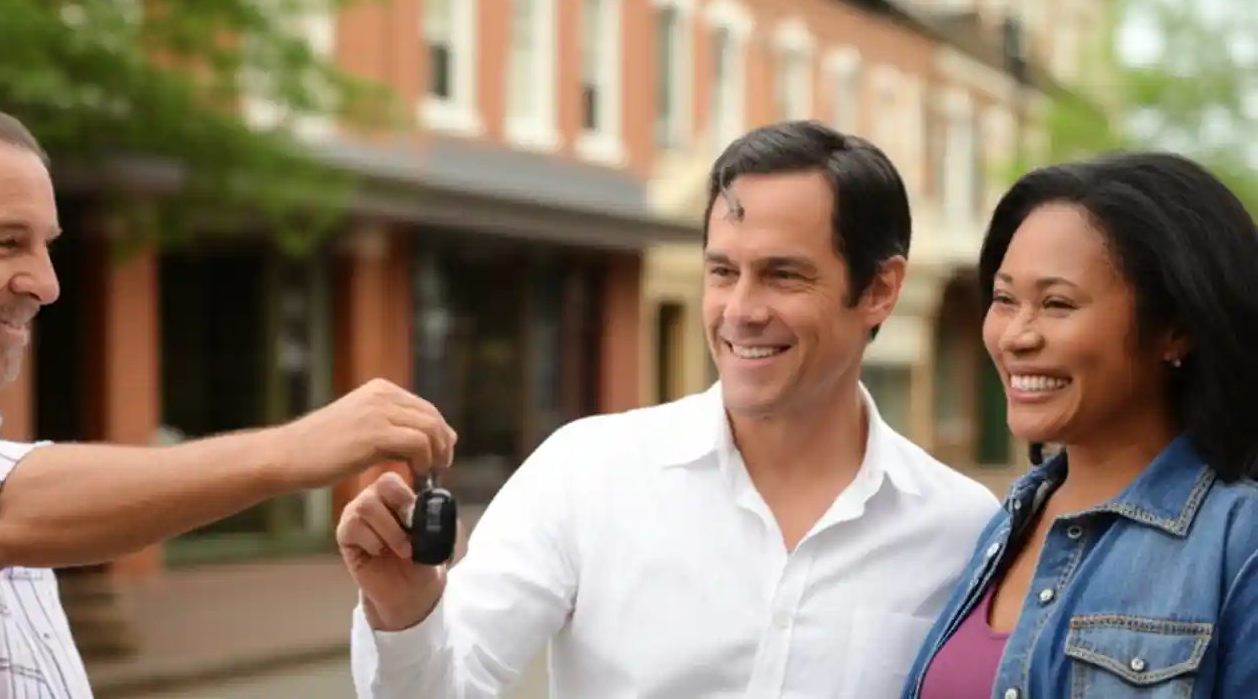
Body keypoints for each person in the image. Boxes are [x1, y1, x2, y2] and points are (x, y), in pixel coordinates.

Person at [340, 120, 1000, 698]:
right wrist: (406, 615)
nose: (740, 310)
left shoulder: (965, 531)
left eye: (782, 274)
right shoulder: (585, 473)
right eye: (722, 272)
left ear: (880, 289)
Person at [0, 103, 457, 698]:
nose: (46, 284)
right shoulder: (13, 505)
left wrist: (406, 622)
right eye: (4, 243)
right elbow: (1, 506)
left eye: (46, 245)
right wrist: (290, 451)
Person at [901, 151, 1258, 699]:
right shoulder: (1004, 527)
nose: (1017, 335)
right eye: (1004, 299)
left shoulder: (1240, 540)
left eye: (1057, 303)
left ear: (1175, 329)